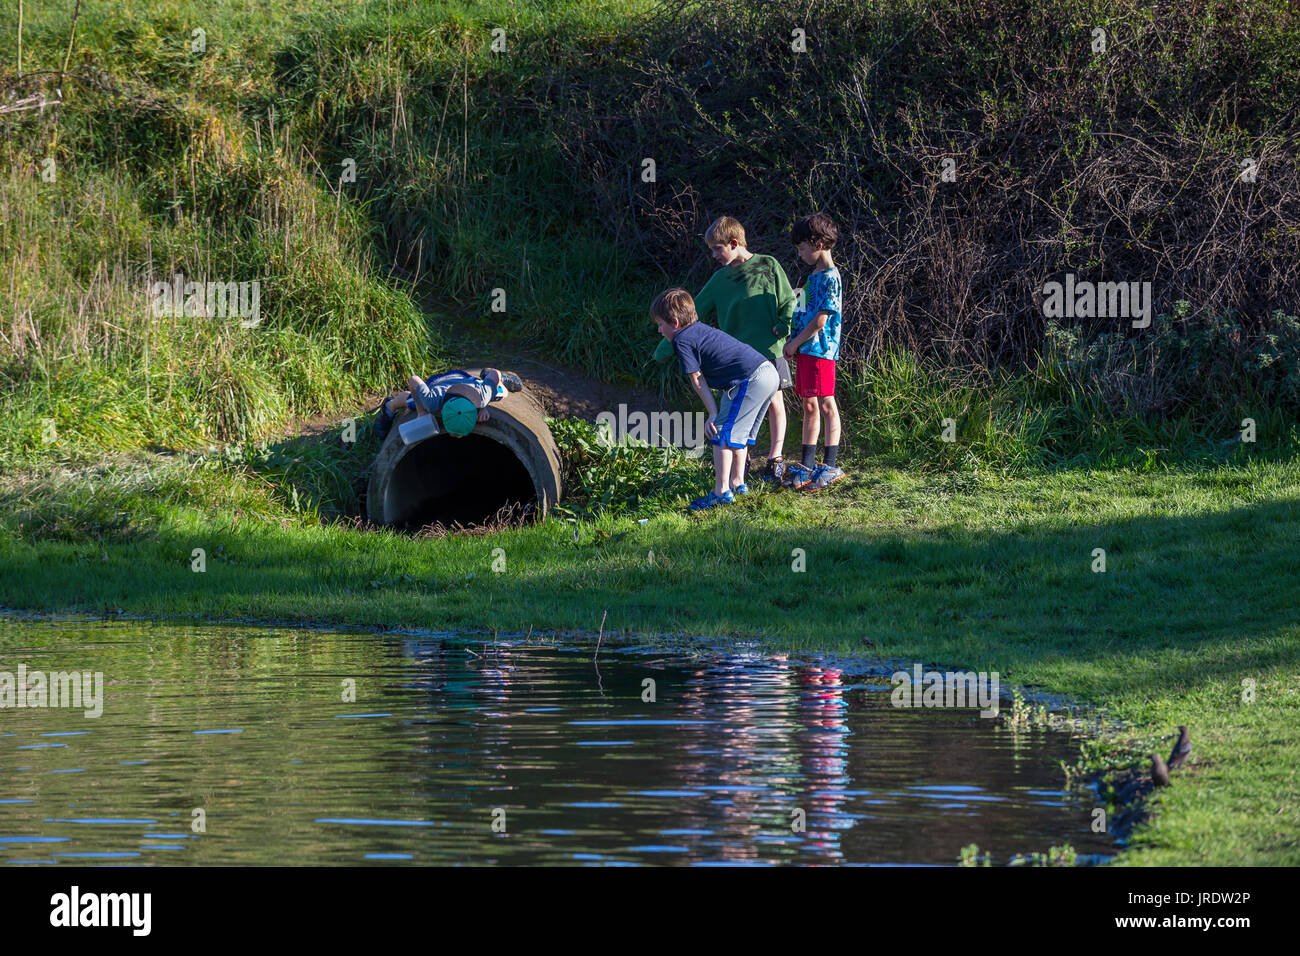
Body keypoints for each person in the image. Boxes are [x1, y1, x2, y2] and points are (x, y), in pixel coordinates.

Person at [652, 216, 796, 482]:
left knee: (775, 401)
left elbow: (789, 299)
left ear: (733, 243)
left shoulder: (768, 265)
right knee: (736, 405)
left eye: (717, 248)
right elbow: (688, 317)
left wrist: (784, 326)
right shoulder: (719, 279)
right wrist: (663, 348)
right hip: (738, 357)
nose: (714, 255)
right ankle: (741, 457)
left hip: (769, 347)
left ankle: (775, 459)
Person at [651, 287, 780, 510]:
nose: (659, 330)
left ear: (674, 322)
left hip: (750, 379)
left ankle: (721, 492)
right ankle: (738, 483)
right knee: (738, 435)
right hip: (768, 372)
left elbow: (697, 378)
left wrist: (713, 413)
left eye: (660, 324)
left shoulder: (681, 339)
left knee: (720, 433)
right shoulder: (699, 330)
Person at [782, 212, 845, 492]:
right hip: (805, 350)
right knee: (809, 405)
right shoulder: (813, 276)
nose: (800, 253)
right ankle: (807, 465)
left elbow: (821, 319)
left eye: (802, 247)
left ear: (818, 243)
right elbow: (803, 309)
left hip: (820, 351)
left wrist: (795, 344)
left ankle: (830, 465)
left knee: (826, 404)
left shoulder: (831, 276)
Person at [373, 368, 521, 440]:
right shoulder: (432, 402)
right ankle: (389, 407)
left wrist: (484, 406)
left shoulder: (482, 397)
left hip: (466, 380)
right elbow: (414, 380)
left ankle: (493, 377)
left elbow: (495, 373)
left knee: (502, 393)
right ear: (442, 412)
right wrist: (421, 412)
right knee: (411, 401)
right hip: (437, 383)